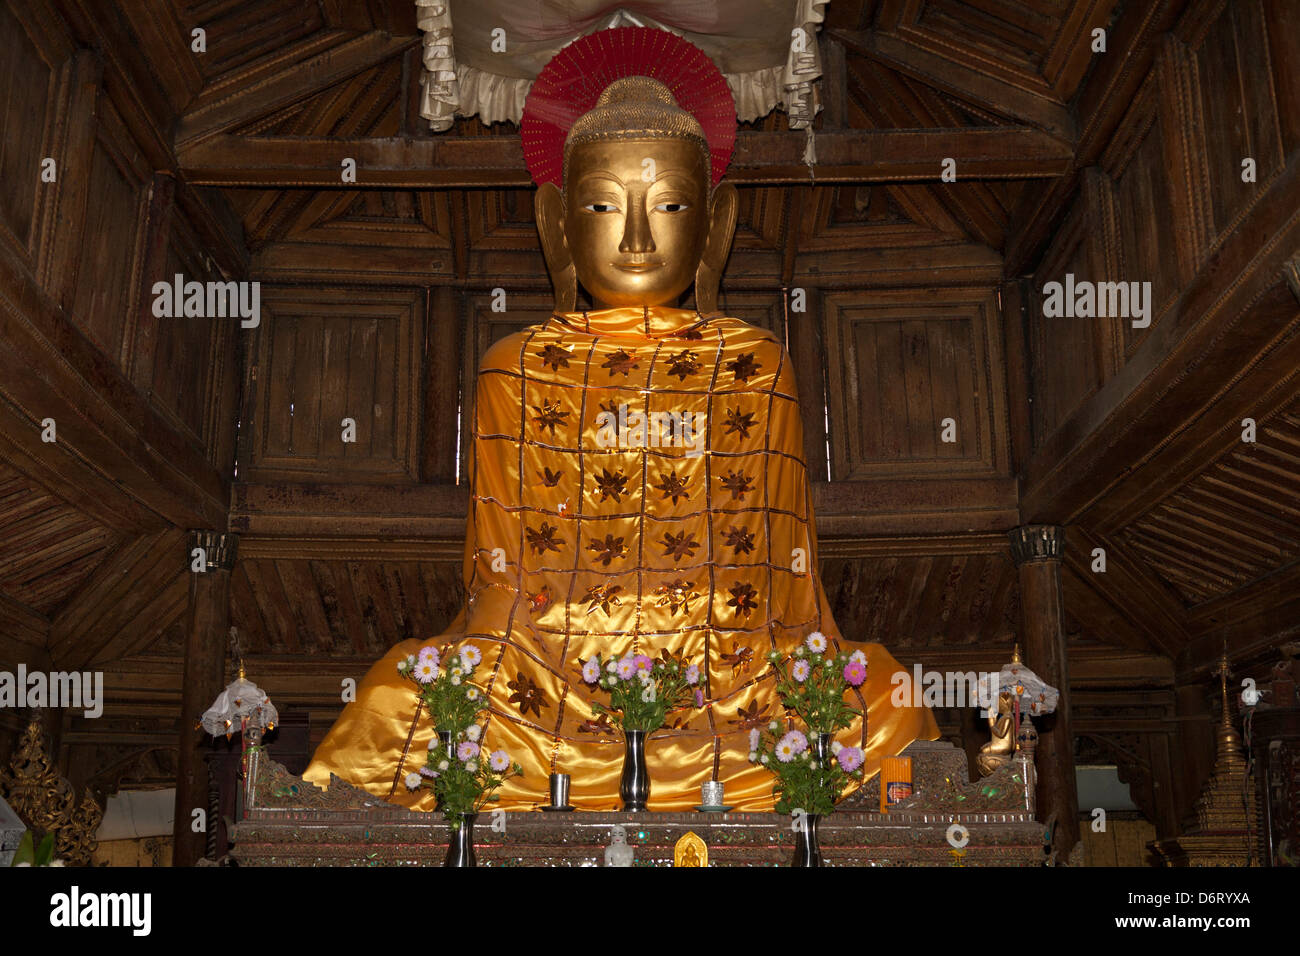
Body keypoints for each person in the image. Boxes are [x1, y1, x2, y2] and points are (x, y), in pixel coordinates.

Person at [303, 31, 937, 812]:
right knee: (396, 698)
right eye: (603, 205)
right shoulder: (517, 364)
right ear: (557, 222)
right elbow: (498, 579)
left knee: (888, 698)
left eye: (670, 205)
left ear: (716, 223)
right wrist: (512, 655)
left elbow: (784, 586)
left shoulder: (757, 361)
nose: (637, 236)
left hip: (734, 683)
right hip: (538, 679)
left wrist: (742, 654)